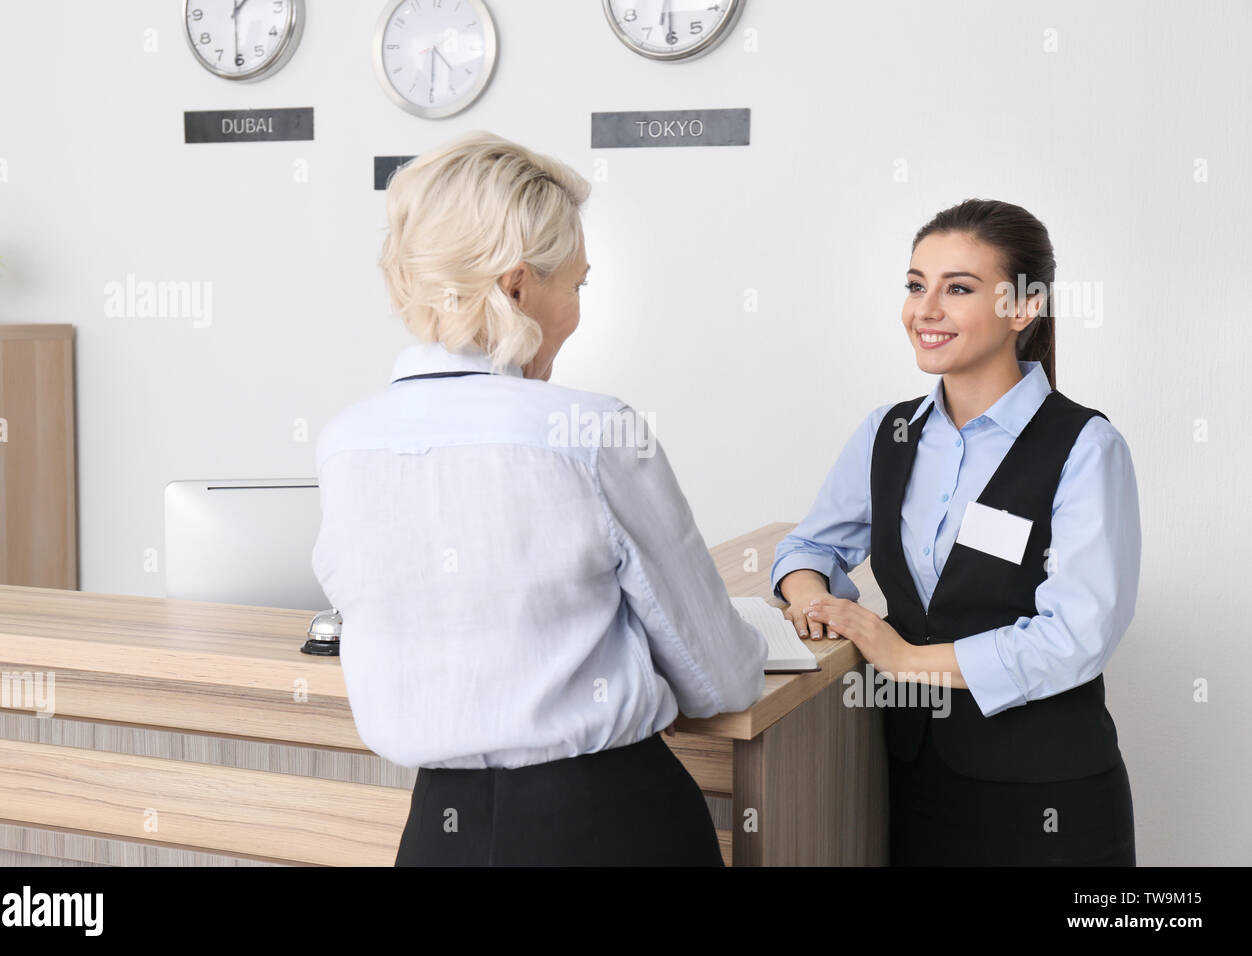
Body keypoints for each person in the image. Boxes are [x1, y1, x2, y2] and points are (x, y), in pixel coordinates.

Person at [312, 131, 767, 867]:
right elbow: (718, 675)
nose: (578, 310)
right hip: (606, 824)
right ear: (517, 286)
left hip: (437, 829)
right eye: (577, 286)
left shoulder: (344, 443)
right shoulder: (592, 430)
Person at [772, 199, 1139, 865]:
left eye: (958, 288)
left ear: (1024, 308)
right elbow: (809, 547)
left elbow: (1077, 636)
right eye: (916, 286)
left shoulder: (1085, 447)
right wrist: (809, 600)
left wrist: (903, 657)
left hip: (1044, 795)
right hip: (912, 780)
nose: (925, 310)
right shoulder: (890, 432)